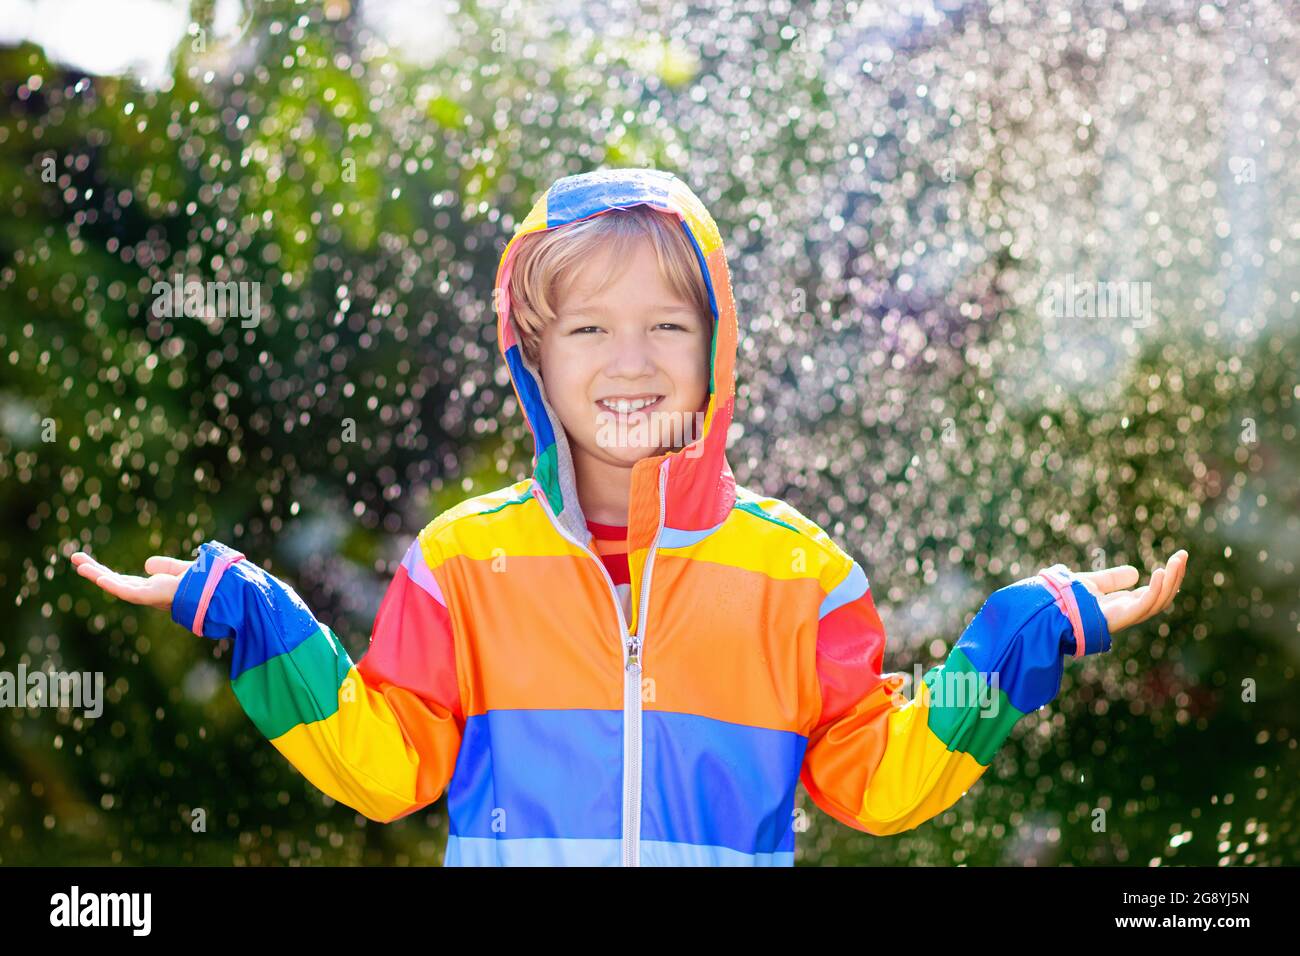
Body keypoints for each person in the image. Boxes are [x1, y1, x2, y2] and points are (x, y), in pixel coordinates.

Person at [70, 167, 1188, 866]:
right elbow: (388, 764)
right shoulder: (463, 562)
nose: (631, 361)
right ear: (532, 360)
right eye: (588, 331)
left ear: (716, 353)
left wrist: (1015, 632)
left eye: (666, 325)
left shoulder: (801, 574)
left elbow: (875, 783)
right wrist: (255, 616)